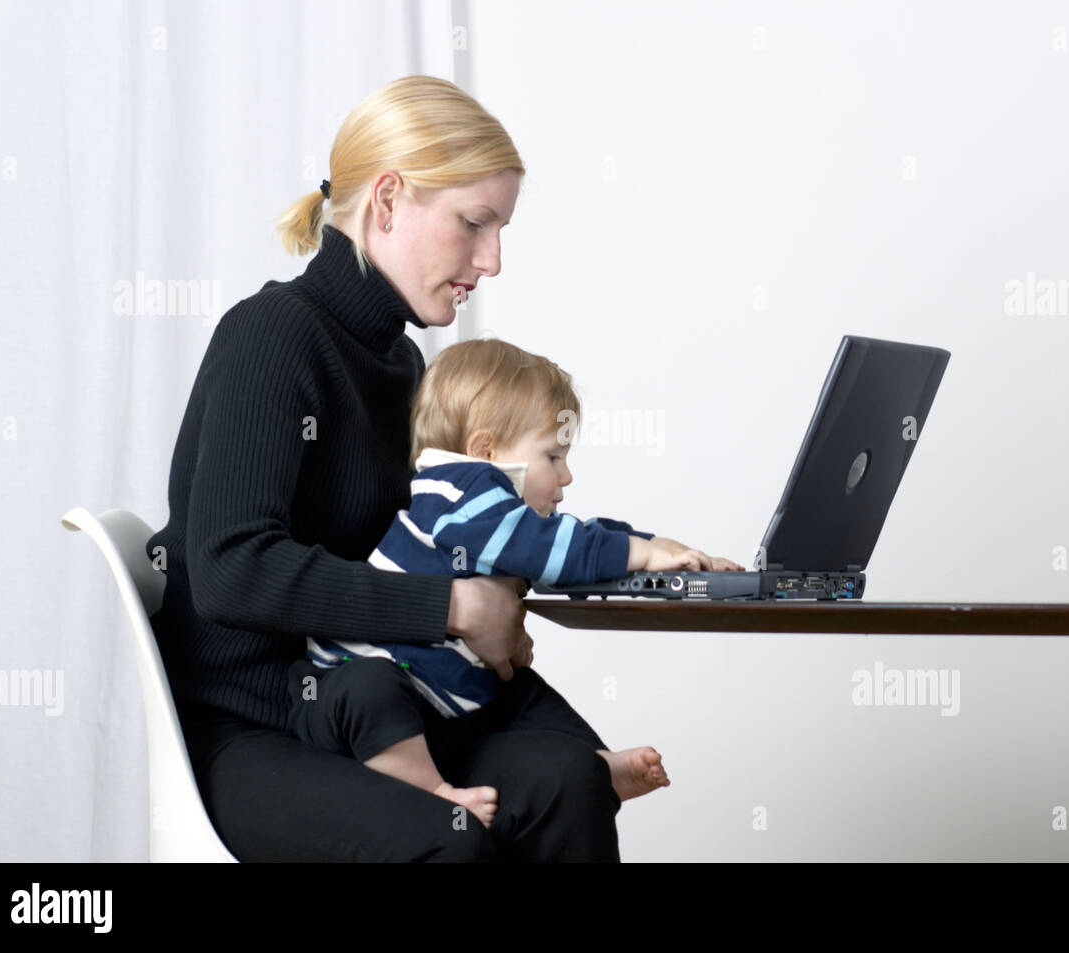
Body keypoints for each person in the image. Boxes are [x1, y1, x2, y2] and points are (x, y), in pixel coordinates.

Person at [146, 75, 710, 861]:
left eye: (501, 229)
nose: (494, 259)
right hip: (257, 722)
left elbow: (445, 532)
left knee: (569, 778)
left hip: (385, 710)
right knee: (453, 837)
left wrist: (641, 555)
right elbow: (229, 570)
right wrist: (451, 607)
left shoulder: (404, 365)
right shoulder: (270, 338)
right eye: (475, 223)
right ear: (386, 202)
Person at [293, 338, 742, 827]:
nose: (566, 476)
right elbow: (542, 545)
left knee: (523, 694)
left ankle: (595, 760)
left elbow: (568, 539)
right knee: (370, 689)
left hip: (440, 695)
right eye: (553, 457)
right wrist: (642, 552)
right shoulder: (454, 490)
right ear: (485, 450)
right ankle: (433, 792)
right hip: (362, 685)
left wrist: (666, 550)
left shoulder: (499, 513)